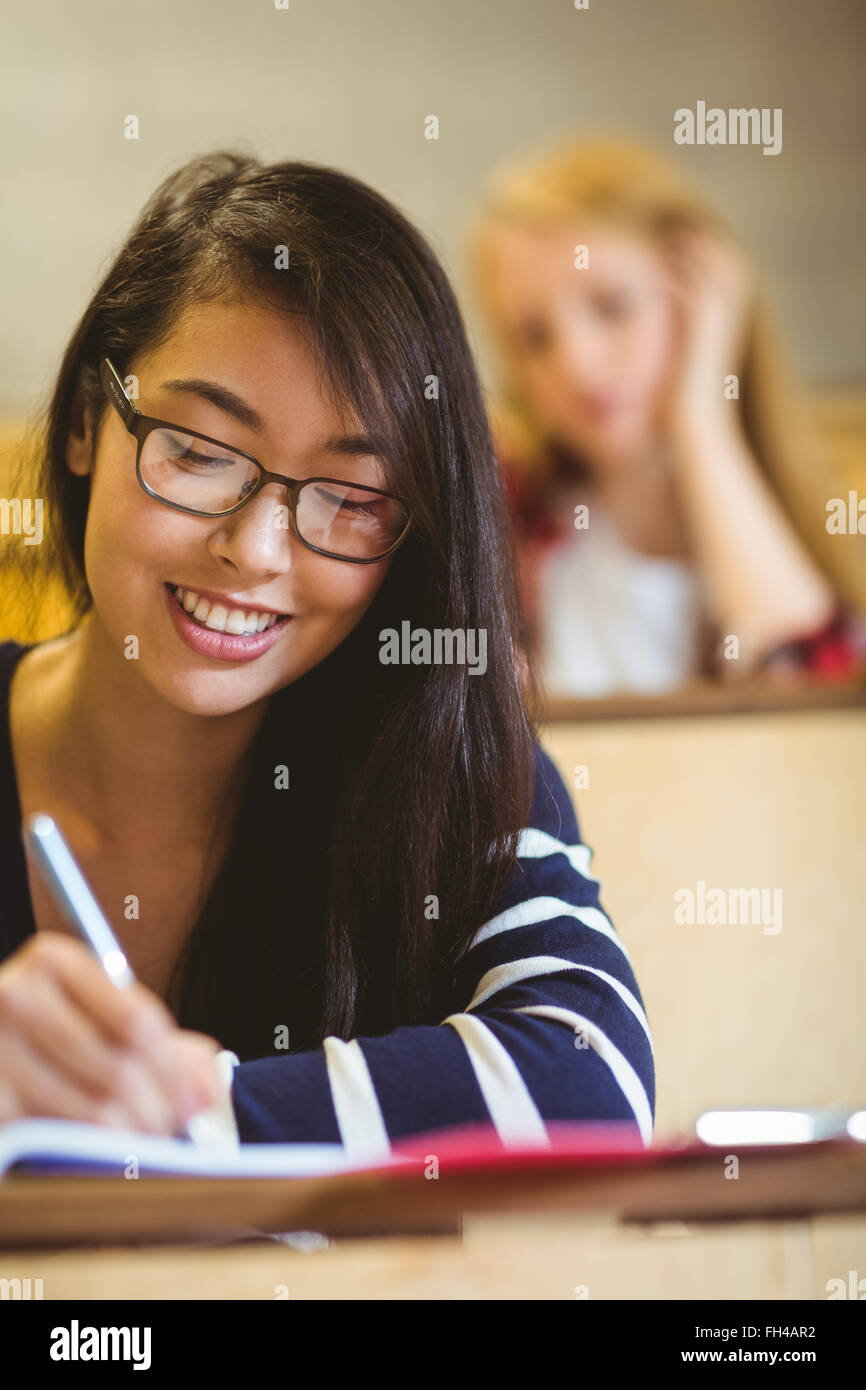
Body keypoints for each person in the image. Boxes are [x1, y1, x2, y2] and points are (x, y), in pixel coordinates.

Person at [0, 152, 654, 1151]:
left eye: (350, 499)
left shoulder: (448, 767)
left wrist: (180, 1113)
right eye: (201, 452)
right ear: (88, 421)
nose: (253, 552)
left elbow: (589, 1079)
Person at [467, 136, 866, 698]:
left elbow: (808, 696)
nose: (577, 363)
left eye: (612, 306)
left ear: (701, 301)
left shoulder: (809, 517)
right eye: (535, 338)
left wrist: (701, 417)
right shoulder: (505, 512)